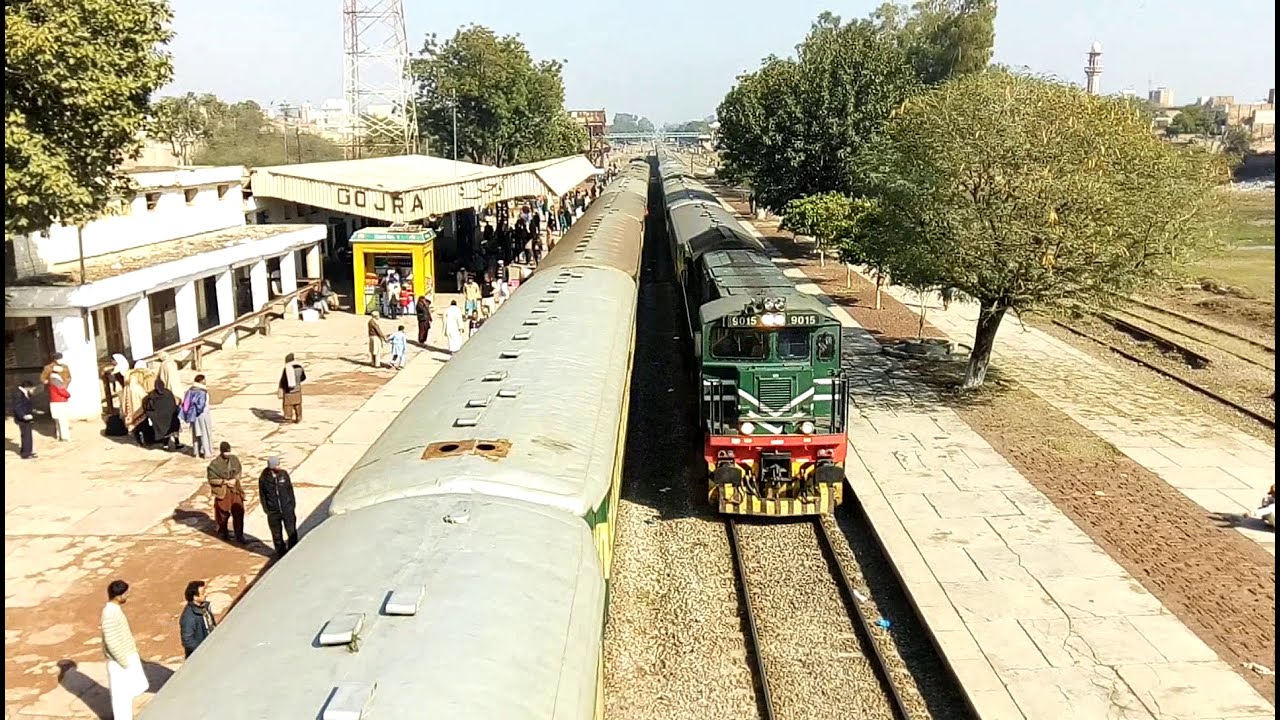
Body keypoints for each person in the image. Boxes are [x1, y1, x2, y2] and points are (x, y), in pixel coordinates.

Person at [100, 580, 147, 720]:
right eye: (126, 593)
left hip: (124, 658)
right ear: (118, 596)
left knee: (128, 693)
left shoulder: (114, 610)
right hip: (119, 661)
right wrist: (124, 662)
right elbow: (111, 641)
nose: (128, 596)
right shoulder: (109, 613)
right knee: (121, 697)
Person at [258, 457, 298, 557]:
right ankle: (281, 554)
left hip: (287, 510)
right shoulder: (264, 478)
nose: (279, 467)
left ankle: (293, 553)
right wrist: (267, 510)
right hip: (273, 512)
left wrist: (291, 505)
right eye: (277, 465)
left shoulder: (284, 475)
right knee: (276, 535)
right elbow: (262, 495)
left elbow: (290, 490)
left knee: (292, 532)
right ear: (271, 467)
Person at [206, 442, 246, 543]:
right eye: (225, 452)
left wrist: (235, 479)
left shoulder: (234, 459)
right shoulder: (214, 464)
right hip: (223, 490)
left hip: (234, 489)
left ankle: (239, 535)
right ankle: (223, 532)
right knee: (222, 513)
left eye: (228, 452)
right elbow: (211, 479)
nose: (227, 454)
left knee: (238, 511)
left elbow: (238, 471)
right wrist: (224, 482)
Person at [179, 580, 217, 658]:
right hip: (202, 656)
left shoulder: (204, 607)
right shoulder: (188, 617)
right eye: (203, 593)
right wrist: (203, 650)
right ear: (195, 597)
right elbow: (187, 640)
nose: (205, 594)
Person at [180, 375, 214, 459]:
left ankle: (196, 452)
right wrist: (198, 411)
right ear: (201, 381)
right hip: (202, 415)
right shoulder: (202, 392)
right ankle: (207, 452)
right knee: (204, 433)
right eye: (204, 380)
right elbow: (201, 405)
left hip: (193, 415)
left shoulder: (190, 390)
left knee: (196, 434)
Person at [143, 379, 181, 451]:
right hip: (171, 416)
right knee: (174, 428)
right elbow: (173, 404)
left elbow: (149, 406)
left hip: (159, 417)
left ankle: (166, 445)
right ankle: (177, 443)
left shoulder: (152, 395)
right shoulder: (168, 393)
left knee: (163, 430)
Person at [12, 380, 37, 459]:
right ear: (27, 387)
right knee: (26, 435)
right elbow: (17, 407)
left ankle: (27, 451)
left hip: (27, 416)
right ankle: (26, 453)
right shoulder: (19, 393)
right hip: (23, 418)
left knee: (27, 435)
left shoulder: (24, 393)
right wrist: (23, 416)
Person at [279, 353, 306, 423]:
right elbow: (303, 377)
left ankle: (289, 419)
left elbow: (284, 380)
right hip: (298, 389)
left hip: (289, 390)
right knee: (297, 404)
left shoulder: (287, 368)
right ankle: (299, 417)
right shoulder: (299, 367)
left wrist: (282, 388)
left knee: (288, 405)